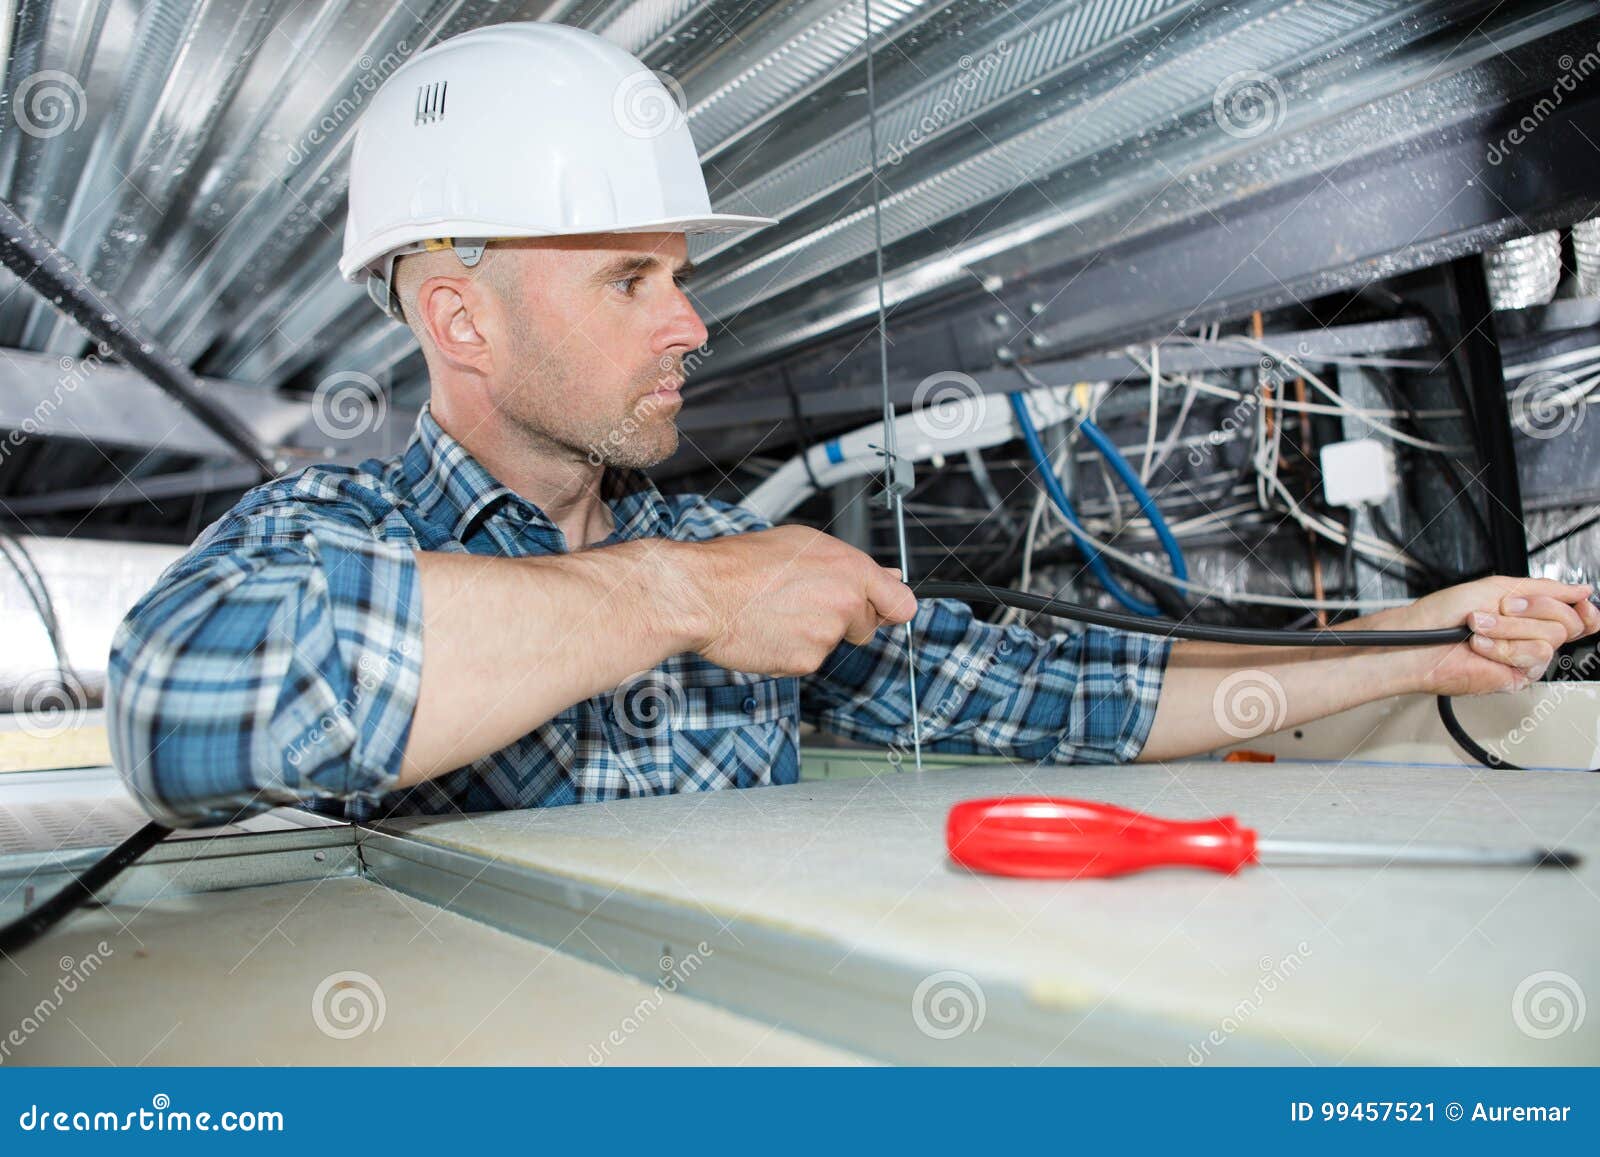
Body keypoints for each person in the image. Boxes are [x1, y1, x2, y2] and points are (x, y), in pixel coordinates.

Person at [107, 22, 1599, 828]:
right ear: (461, 322)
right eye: (632, 278)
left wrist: (1410, 643)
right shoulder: (333, 534)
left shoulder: (735, 553)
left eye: (680, 277)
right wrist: (686, 599)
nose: (689, 322)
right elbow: (174, 712)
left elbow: (1085, 696)